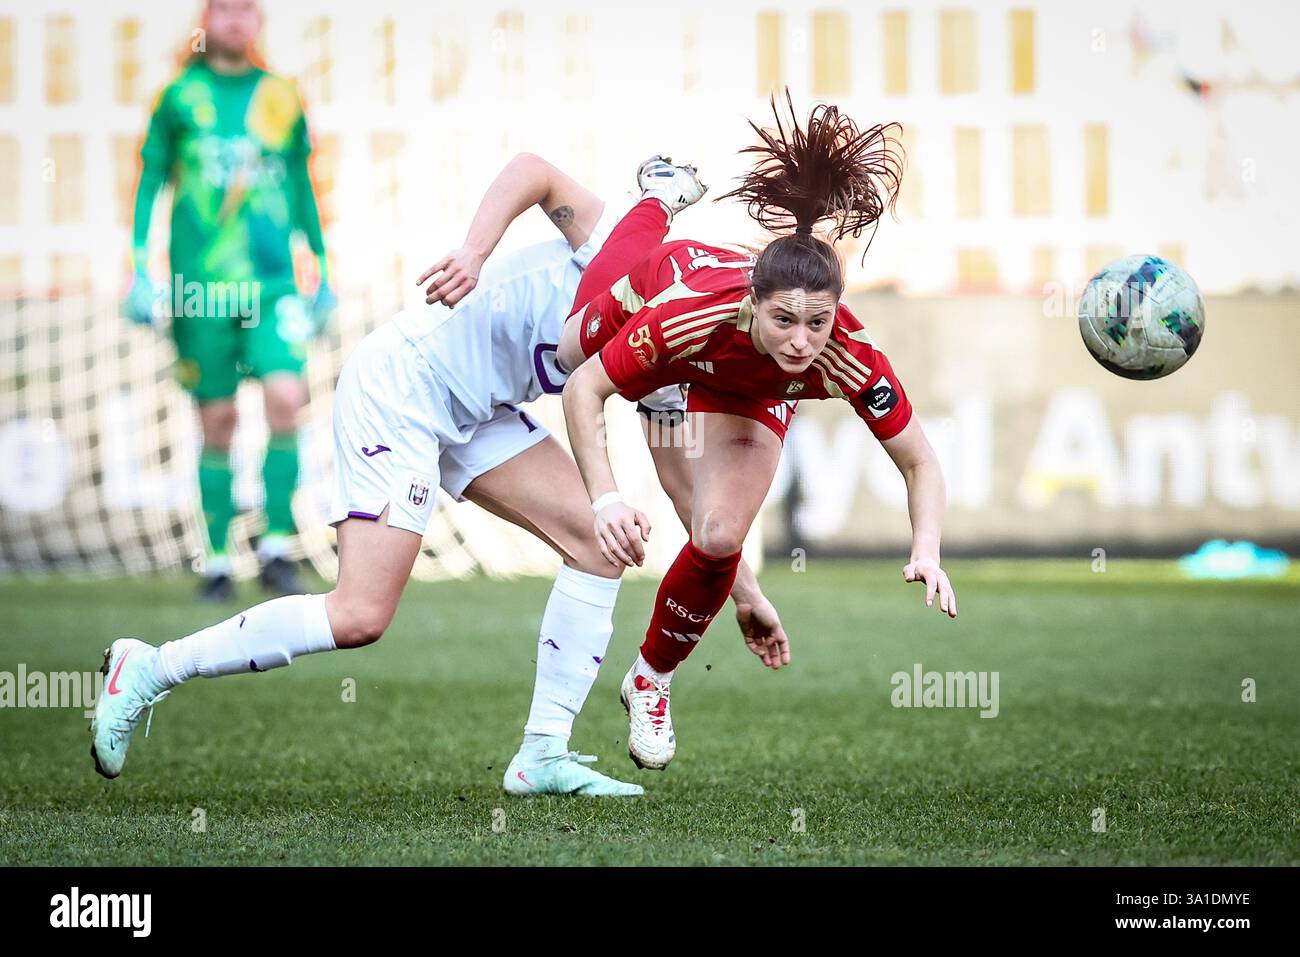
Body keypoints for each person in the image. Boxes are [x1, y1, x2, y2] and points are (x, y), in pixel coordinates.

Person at [91, 152, 790, 797]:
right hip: (406, 385)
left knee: (597, 541)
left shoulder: (684, 350)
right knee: (361, 615)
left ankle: (542, 753)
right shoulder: (622, 245)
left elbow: (684, 488)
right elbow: (533, 169)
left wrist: (742, 592)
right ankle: (150, 667)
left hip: (478, 410)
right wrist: (474, 252)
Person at [559, 94, 959, 771]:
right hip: (670, 304)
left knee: (716, 533)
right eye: (783, 321)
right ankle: (656, 199)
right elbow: (581, 388)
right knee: (565, 350)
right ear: (753, 304)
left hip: (748, 394)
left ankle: (650, 677)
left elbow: (920, 462)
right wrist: (604, 498)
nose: (802, 342)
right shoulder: (686, 313)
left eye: (818, 323)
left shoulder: (848, 354)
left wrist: (927, 548)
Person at [124, 0, 336, 601]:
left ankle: (274, 546)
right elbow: (149, 183)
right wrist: (141, 269)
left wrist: (320, 266)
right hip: (200, 288)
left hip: (272, 287)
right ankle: (217, 559)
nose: (237, 19)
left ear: (259, 23)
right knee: (216, 420)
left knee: (286, 397)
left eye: (248, 9)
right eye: (225, 8)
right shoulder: (178, 98)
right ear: (206, 20)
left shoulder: (281, 96)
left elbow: (300, 184)